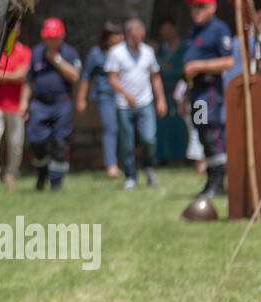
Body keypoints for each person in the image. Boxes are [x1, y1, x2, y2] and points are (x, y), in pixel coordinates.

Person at [182, 0, 234, 198]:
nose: (196, 11)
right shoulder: (195, 30)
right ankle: (211, 179)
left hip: (209, 91)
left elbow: (228, 61)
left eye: (201, 6)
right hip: (196, 91)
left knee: (210, 132)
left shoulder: (218, 29)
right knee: (201, 132)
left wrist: (198, 66)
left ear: (212, 7)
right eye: (193, 7)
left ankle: (217, 182)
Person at [105, 18, 167, 189]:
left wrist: (160, 99)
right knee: (127, 142)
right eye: (134, 37)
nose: (137, 40)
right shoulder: (116, 53)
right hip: (124, 105)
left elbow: (155, 77)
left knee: (149, 138)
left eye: (140, 37)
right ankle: (131, 175)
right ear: (127, 35)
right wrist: (126, 95)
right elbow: (112, 78)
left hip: (145, 102)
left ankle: (149, 167)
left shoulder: (148, 52)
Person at [21, 17, 81, 191]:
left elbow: (75, 76)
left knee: (59, 143)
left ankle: (56, 182)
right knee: (36, 142)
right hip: (39, 104)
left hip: (61, 104)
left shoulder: (70, 53)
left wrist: (56, 60)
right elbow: (29, 81)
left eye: (54, 37)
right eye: (48, 37)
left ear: (62, 37)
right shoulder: (36, 53)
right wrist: (24, 103)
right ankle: (41, 173)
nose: (51, 41)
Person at [76, 21, 124, 178]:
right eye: (116, 35)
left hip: (125, 95)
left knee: (125, 129)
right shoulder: (96, 53)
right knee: (111, 128)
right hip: (105, 96)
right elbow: (86, 77)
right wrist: (81, 99)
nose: (119, 37)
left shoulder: (125, 52)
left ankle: (126, 162)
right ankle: (111, 165)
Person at [0, 35, 29, 192]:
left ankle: (12, 172)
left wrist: (1, 75)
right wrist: (12, 75)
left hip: (16, 105)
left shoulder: (25, 51)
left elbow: (23, 75)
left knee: (16, 143)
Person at [153, 17, 189, 163]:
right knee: (163, 125)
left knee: (181, 124)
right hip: (164, 92)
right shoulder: (160, 49)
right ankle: (164, 157)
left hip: (180, 91)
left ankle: (182, 156)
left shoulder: (183, 48)